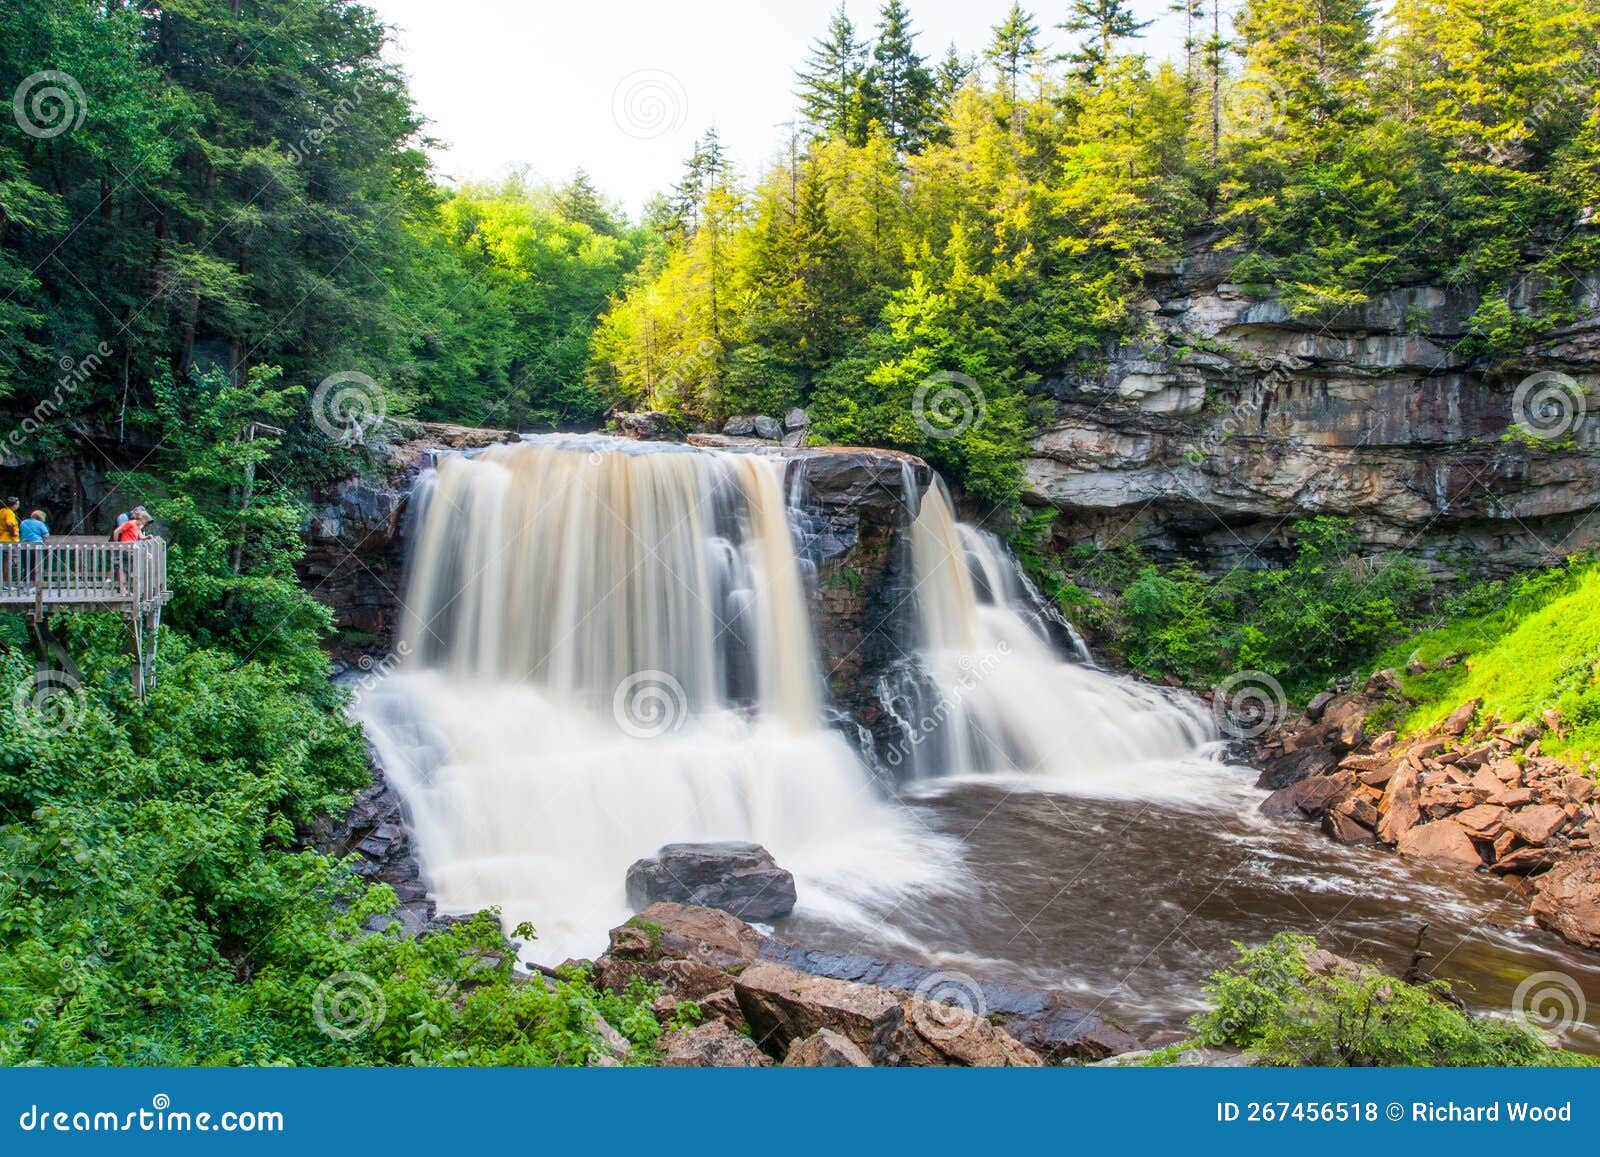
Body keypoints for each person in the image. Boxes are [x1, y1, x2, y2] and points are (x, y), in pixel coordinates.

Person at [19, 509, 47, 586]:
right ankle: (36, 584)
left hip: (24, 546)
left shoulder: (23, 522)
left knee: (27, 565)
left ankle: (26, 583)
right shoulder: (40, 524)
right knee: (37, 565)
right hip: (36, 546)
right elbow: (46, 535)